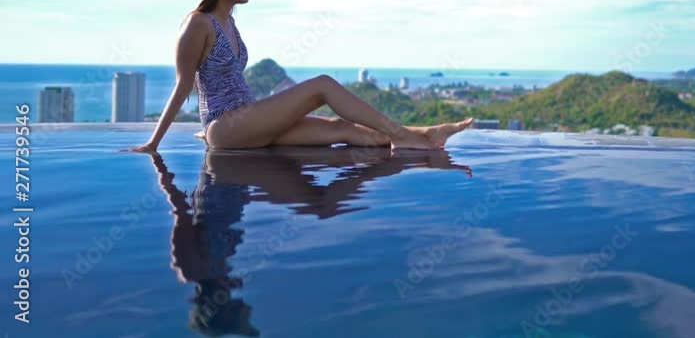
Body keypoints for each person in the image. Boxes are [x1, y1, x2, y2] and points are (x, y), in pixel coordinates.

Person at [125, 0, 473, 153]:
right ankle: (406, 136)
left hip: (248, 120)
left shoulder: (231, 23)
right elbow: (183, 86)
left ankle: (424, 137)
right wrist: (154, 144)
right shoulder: (198, 24)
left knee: (344, 129)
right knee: (322, 84)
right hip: (226, 127)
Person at [142, 144, 471, 336]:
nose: (242, 299)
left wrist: (161, 170)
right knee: (322, 204)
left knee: (322, 200)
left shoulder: (193, 269)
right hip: (239, 187)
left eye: (240, 308)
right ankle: (412, 149)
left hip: (224, 181)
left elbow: (180, 212)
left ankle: (414, 147)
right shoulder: (221, 272)